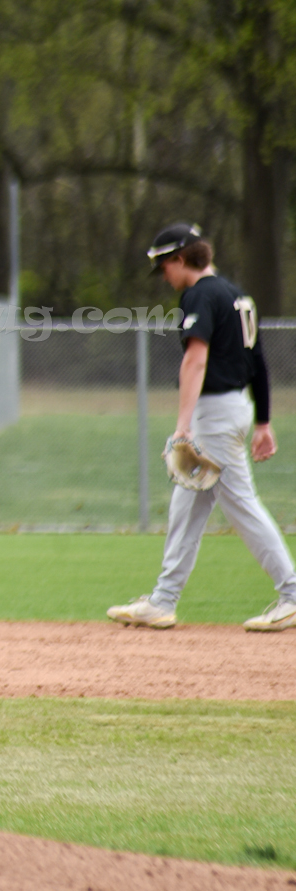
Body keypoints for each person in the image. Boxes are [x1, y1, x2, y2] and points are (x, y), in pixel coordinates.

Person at [108, 223, 296, 632]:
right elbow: (258, 361)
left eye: (164, 267)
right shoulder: (235, 295)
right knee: (187, 508)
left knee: (241, 504)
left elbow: (195, 359)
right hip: (235, 407)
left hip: (214, 414)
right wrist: (262, 421)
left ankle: (293, 592)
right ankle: (163, 600)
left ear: (180, 259)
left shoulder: (200, 295)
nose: (164, 277)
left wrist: (182, 427)